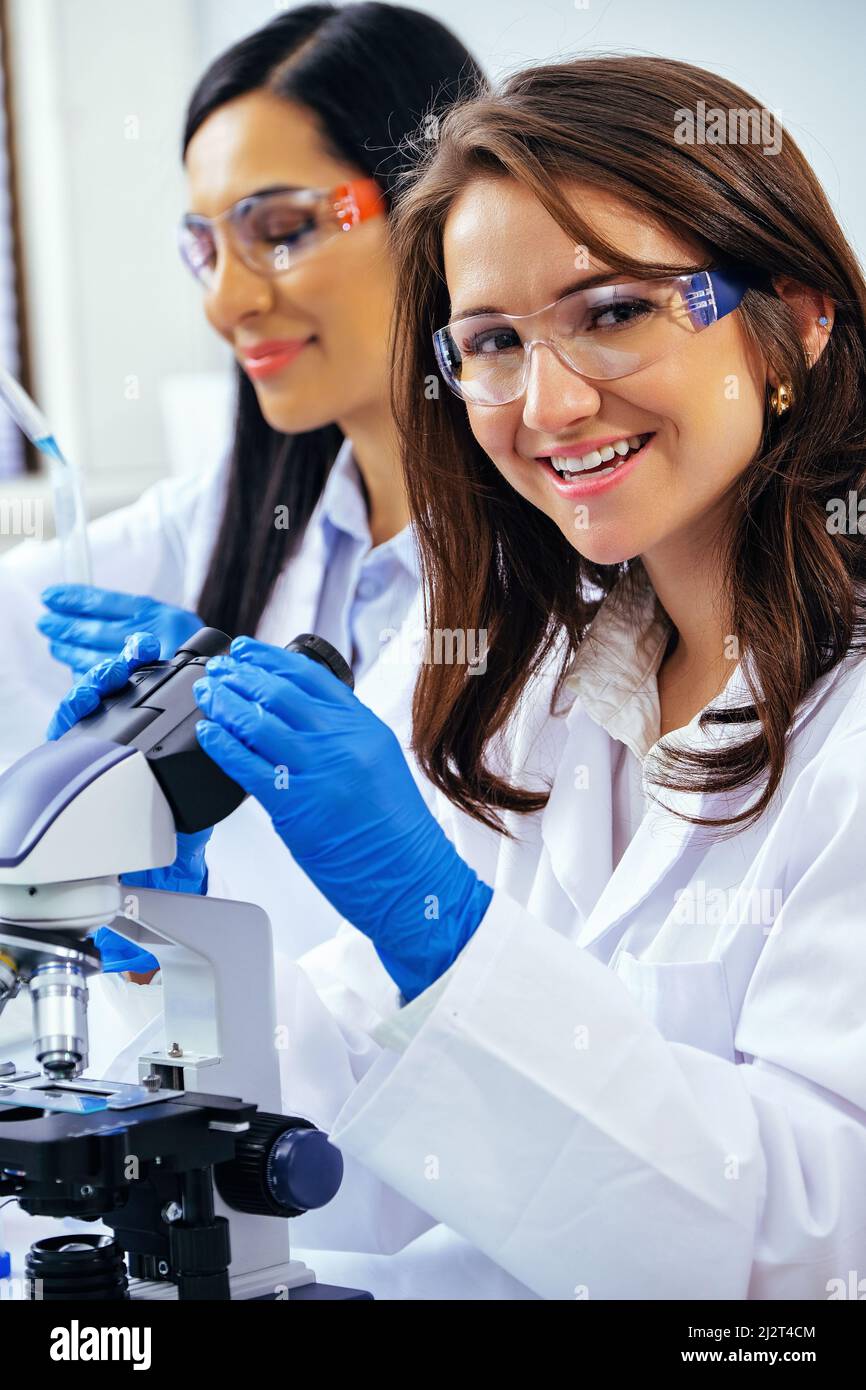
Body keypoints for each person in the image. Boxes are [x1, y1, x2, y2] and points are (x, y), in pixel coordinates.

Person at [164, 54, 865, 1298]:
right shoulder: (545, 677)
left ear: (796, 322)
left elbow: (811, 1240)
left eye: (611, 311)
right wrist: (155, 942)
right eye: (490, 342)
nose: (544, 402)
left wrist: (452, 942)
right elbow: (355, 1100)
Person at [2, 3, 486, 986]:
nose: (228, 299)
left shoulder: (581, 555)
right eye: (207, 246)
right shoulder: (229, 519)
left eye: (280, 230)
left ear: (434, 209)